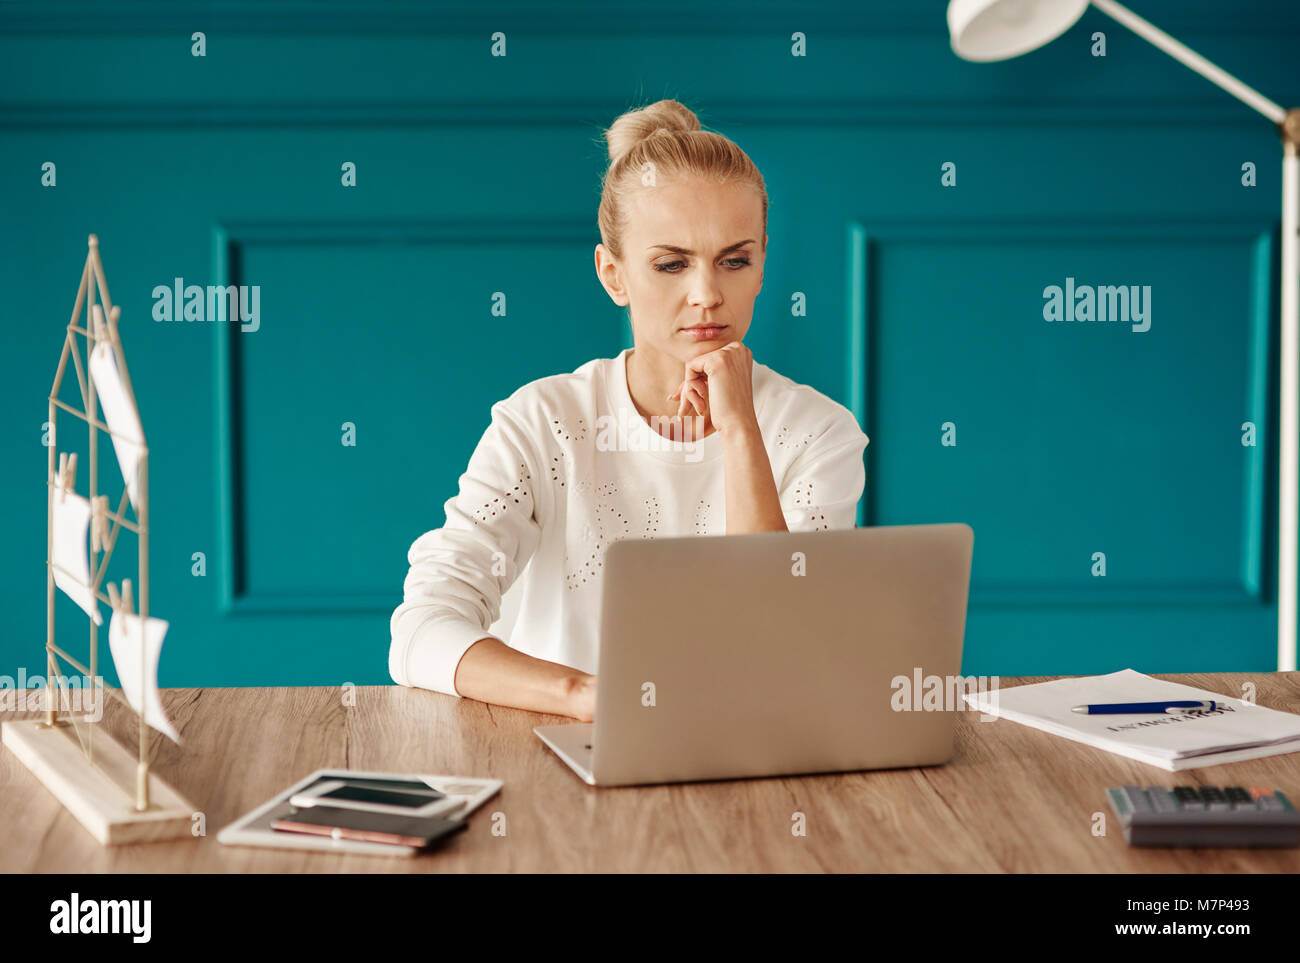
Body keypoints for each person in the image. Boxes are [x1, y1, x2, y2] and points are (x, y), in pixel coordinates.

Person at [389, 99, 869, 722]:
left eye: (734, 260)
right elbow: (422, 630)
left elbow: (780, 652)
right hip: (552, 755)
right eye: (671, 264)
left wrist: (741, 431)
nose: (706, 295)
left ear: (761, 266)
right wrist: (588, 695)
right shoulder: (541, 422)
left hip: (746, 760)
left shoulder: (818, 434)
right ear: (613, 275)